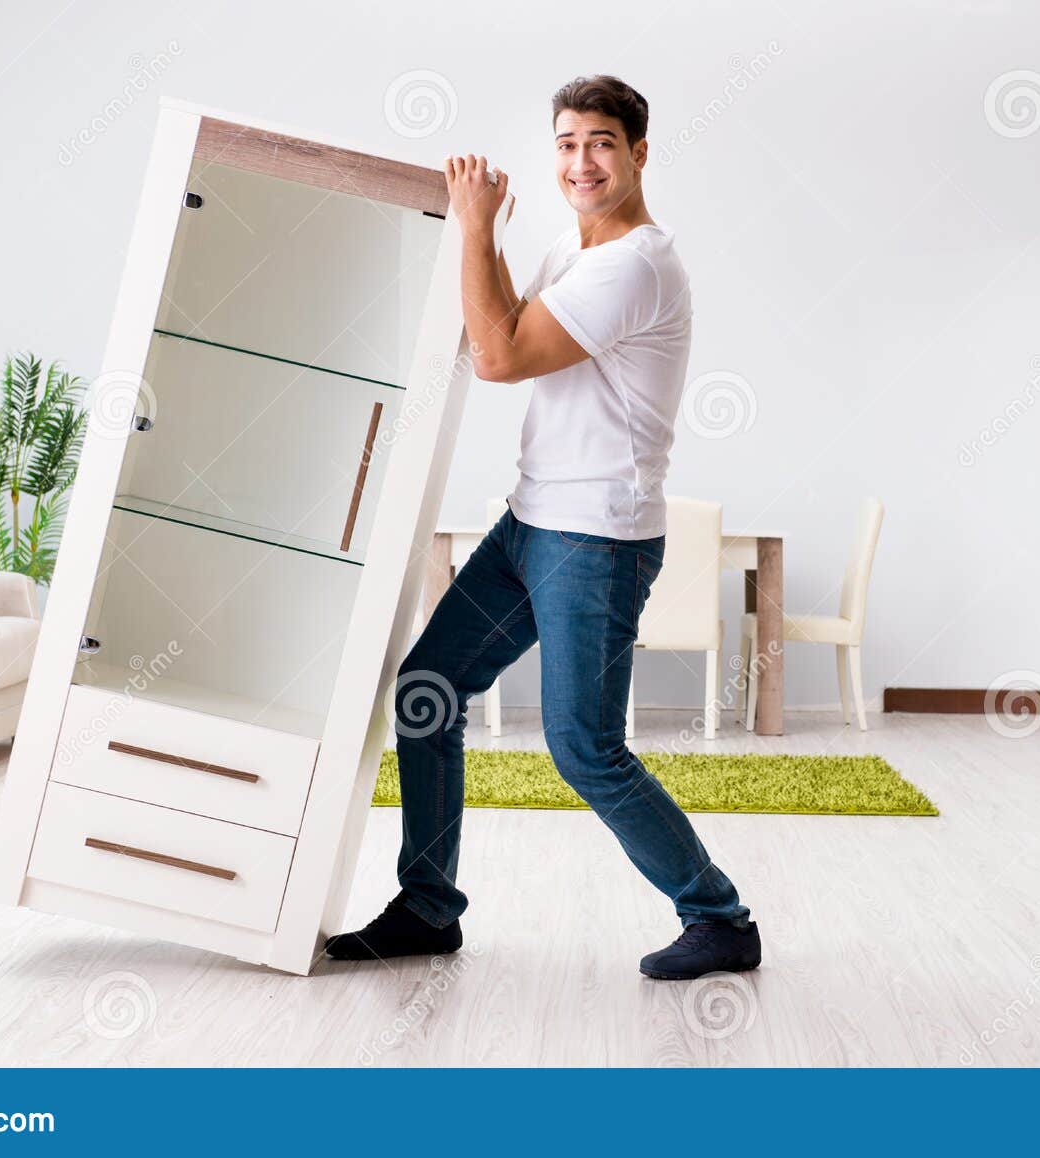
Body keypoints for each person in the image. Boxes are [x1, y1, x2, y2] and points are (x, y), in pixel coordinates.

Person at [325, 74, 759, 980]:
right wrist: (480, 235)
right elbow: (505, 322)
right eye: (566, 143)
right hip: (532, 522)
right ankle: (428, 907)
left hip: (594, 539)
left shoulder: (633, 263)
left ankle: (720, 919)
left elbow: (499, 356)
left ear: (640, 152)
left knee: (583, 749)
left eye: (601, 141)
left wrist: (476, 225)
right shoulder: (575, 249)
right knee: (428, 690)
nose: (581, 160)